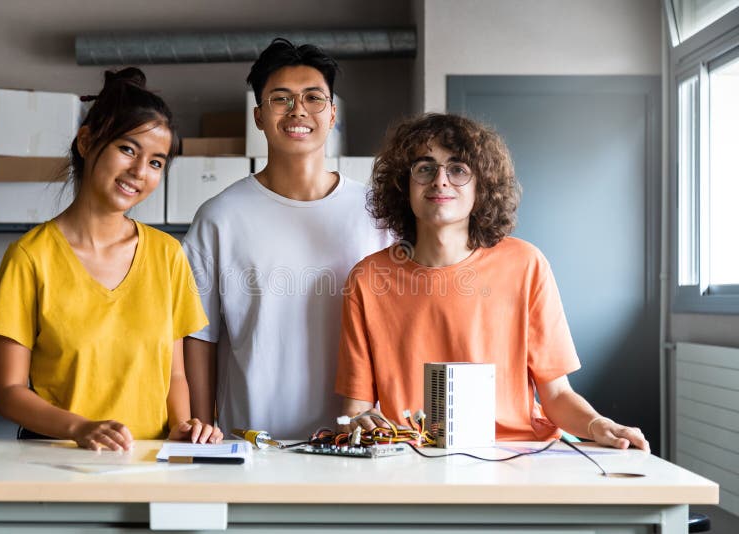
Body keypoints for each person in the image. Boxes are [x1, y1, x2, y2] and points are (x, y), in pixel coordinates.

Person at [335, 113, 649, 450]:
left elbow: (557, 395)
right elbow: (357, 410)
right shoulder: (368, 279)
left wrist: (597, 424)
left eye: (458, 169)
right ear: (403, 185)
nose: (440, 180)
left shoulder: (526, 265)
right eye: (424, 168)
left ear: (480, 186)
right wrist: (362, 423)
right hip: (413, 459)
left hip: (517, 456)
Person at [0, 68, 222, 451]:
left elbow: (174, 374)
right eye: (128, 149)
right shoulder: (30, 257)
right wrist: (79, 429)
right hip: (56, 463)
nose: (140, 172)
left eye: (157, 162)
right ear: (87, 141)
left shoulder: (168, 255)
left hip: (149, 463)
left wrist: (181, 426)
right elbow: (8, 390)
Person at [183, 38, 389, 439]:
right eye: (281, 99)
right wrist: (203, 425)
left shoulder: (377, 214)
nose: (298, 110)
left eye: (313, 98)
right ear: (259, 116)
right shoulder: (220, 218)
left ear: (332, 115)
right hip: (252, 437)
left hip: (359, 439)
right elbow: (199, 336)